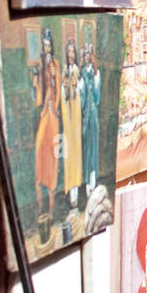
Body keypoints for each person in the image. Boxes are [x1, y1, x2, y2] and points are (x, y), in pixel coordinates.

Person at [31, 29, 61, 235]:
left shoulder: (55, 66)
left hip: (53, 116)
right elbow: (39, 97)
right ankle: (41, 207)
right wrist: (37, 82)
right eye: (44, 46)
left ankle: (51, 206)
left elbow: (58, 89)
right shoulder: (42, 67)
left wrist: (53, 76)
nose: (47, 48)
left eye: (49, 45)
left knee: (52, 156)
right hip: (45, 115)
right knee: (39, 156)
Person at [61, 38, 83, 204]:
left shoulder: (76, 71)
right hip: (67, 118)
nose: (70, 55)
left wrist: (75, 88)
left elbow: (78, 93)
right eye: (68, 52)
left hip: (75, 118)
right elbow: (63, 92)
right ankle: (69, 193)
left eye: (72, 52)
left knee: (75, 152)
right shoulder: (64, 71)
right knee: (67, 152)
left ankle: (75, 193)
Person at [80, 43, 101, 194]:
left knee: (93, 149)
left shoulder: (95, 73)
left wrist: (94, 79)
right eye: (86, 54)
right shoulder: (80, 73)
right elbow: (80, 100)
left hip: (93, 115)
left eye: (90, 54)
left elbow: (97, 98)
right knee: (86, 150)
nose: (88, 56)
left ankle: (93, 185)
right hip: (84, 117)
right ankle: (87, 185)